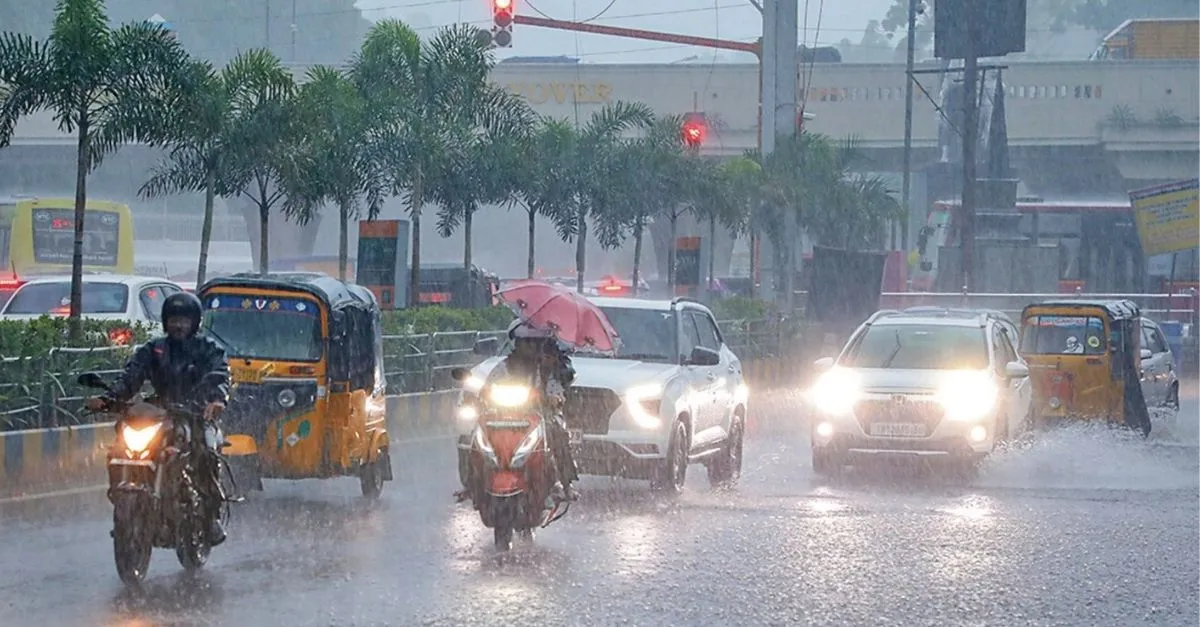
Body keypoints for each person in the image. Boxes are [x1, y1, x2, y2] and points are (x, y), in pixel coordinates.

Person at [86, 292, 232, 545]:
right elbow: (131, 376)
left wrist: (216, 400)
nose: (178, 324)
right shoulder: (153, 349)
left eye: (184, 320)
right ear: (165, 321)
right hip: (161, 411)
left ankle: (210, 518)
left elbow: (219, 374)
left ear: (194, 322)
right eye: (174, 319)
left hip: (196, 413)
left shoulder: (208, 348)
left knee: (206, 452)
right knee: (120, 445)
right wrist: (109, 398)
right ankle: (123, 500)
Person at [486, 320, 580, 503]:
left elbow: (556, 389)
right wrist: (482, 397)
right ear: (517, 344)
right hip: (502, 418)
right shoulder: (503, 367)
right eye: (526, 342)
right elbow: (488, 387)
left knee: (557, 432)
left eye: (535, 343)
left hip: (539, 417)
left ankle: (563, 482)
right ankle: (472, 482)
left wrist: (555, 398)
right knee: (476, 437)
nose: (530, 347)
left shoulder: (546, 369)